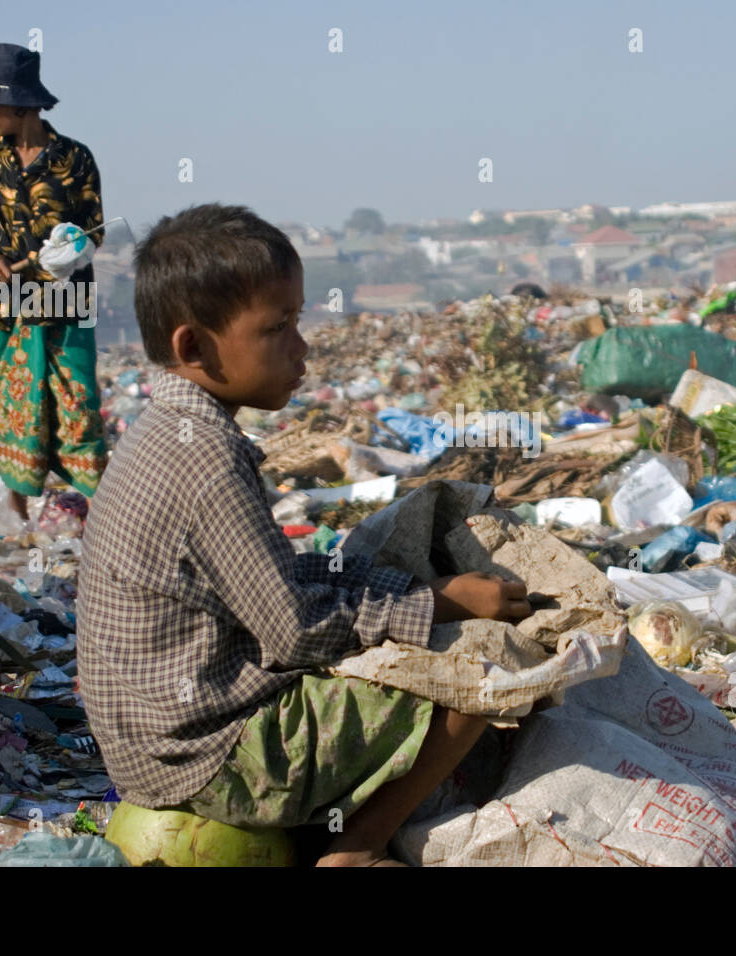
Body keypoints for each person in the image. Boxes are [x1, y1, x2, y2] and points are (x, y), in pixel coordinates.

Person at [76, 203, 534, 867]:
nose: (303, 346)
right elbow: (292, 630)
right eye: (278, 327)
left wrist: (401, 589)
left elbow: (269, 579)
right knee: (484, 659)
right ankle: (358, 845)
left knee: (371, 595)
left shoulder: (161, 434)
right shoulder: (204, 458)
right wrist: (442, 601)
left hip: (150, 745)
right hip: (211, 754)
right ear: (194, 347)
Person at [0, 42, 107, 519]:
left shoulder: (74, 159)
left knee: (77, 400)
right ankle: (17, 516)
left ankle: (101, 516)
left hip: (64, 297)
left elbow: (93, 228)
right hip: (3, 297)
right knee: (12, 402)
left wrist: (71, 252)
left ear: (21, 105)